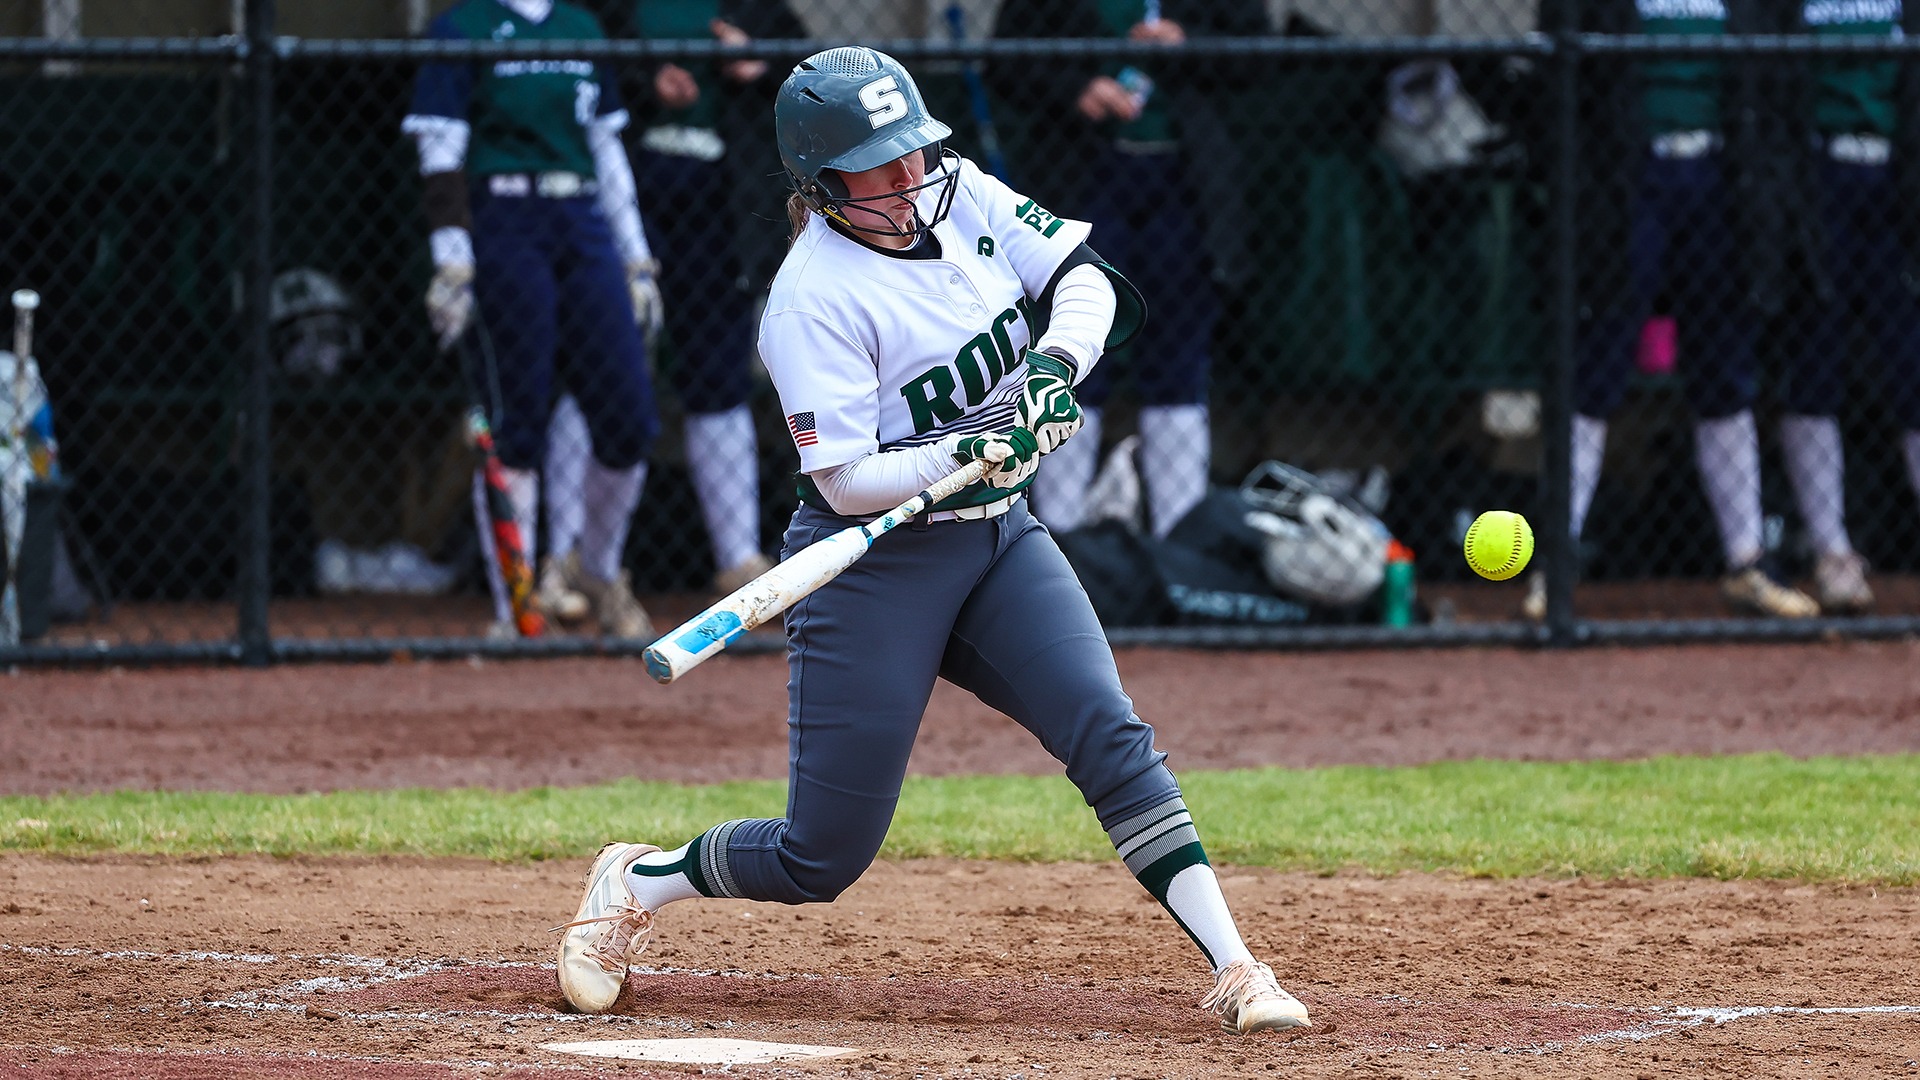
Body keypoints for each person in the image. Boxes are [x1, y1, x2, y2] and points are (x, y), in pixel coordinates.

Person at [550, 47, 1310, 1037]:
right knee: (819, 856)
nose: (911, 177)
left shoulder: (963, 199)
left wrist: (1051, 370)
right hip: (872, 567)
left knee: (1108, 736)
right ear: (821, 187)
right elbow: (847, 478)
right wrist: (975, 442)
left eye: (914, 150)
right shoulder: (811, 300)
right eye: (881, 164)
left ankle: (1239, 969)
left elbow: (1087, 280)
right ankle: (640, 880)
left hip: (999, 541)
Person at [1524, 0, 1820, 620]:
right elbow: (1560, 88)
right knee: (1597, 366)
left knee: (1724, 367)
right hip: (1631, 181)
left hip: (1718, 179)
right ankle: (1554, 567)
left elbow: (1773, 90)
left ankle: (1745, 562)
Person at [538, 0, 808, 614]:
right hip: (630, 202)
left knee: (717, 377)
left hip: (719, 208)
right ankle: (568, 559)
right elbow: (583, 80)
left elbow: (815, 75)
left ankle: (738, 561)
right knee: (597, 374)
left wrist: (755, 63)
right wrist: (647, 76)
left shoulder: (755, 7)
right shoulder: (614, 11)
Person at [402, 0, 659, 638]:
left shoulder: (582, 27)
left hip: (582, 224)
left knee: (629, 420)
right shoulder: (463, 28)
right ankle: (516, 607)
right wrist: (453, 260)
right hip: (505, 220)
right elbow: (441, 152)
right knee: (516, 421)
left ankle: (596, 570)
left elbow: (608, 150)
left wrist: (635, 258)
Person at [990, 0, 1270, 540]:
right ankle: (1059, 542)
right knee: (1071, 354)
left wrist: (1187, 43)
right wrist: (1075, 87)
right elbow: (1007, 61)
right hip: (1083, 177)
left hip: (1186, 184)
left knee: (1180, 361)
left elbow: (1257, 55)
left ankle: (1181, 544)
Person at [1769, 0, 1920, 613]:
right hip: (1816, 183)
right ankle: (1831, 551)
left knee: (1914, 369)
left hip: (1899, 182)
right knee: (1814, 363)